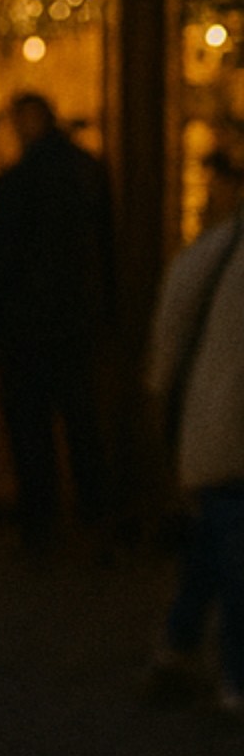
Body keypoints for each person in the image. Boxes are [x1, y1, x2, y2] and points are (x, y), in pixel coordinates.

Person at [0, 92, 115, 551]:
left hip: (27, 326)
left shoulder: (18, 181)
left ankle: (42, 524)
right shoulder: (86, 171)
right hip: (75, 318)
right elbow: (107, 251)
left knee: (31, 428)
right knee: (81, 423)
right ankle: (95, 517)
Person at [146, 152, 244, 712]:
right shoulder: (221, 251)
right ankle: (235, 673)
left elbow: (170, 331)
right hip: (227, 431)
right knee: (233, 548)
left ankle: (178, 644)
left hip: (212, 427)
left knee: (216, 538)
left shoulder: (210, 250)